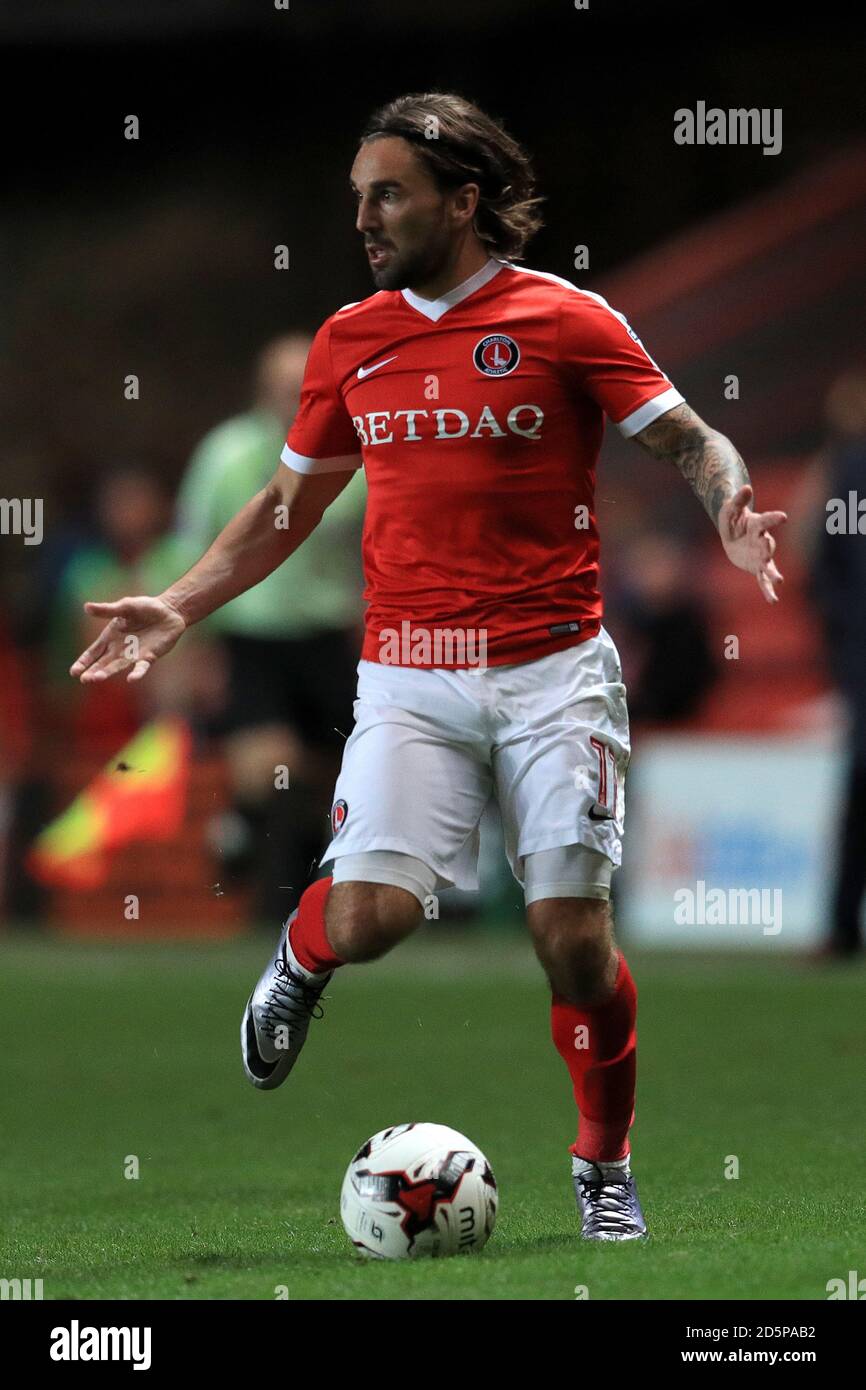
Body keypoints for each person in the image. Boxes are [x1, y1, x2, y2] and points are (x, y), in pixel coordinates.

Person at [70, 92, 786, 1242]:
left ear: (462, 201)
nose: (363, 215)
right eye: (356, 195)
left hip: (554, 670)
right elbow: (283, 506)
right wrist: (180, 605)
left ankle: (601, 1162)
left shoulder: (563, 319)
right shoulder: (350, 339)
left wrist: (728, 503)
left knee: (572, 937)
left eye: (386, 192)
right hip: (410, 673)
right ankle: (298, 955)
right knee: (369, 919)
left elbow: (689, 436)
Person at [175, 336, 366, 920]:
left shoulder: (354, 453)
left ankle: (253, 837)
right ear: (264, 392)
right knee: (269, 767)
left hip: (328, 638)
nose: (295, 397)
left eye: (303, 385)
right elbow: (191, 546)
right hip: (254, 637)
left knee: (327, 775)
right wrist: (194, 648)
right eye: (284, 387)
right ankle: (271, 902)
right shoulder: (226, 454)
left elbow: (370, 546)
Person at [808, 366, 866, 958]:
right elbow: (825, 573)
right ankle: (842, 925)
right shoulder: (848, 471)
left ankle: (842, 927)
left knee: (859, 791)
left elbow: (822, 573)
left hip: (858, 657)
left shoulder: (844, 471)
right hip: (862, 659)